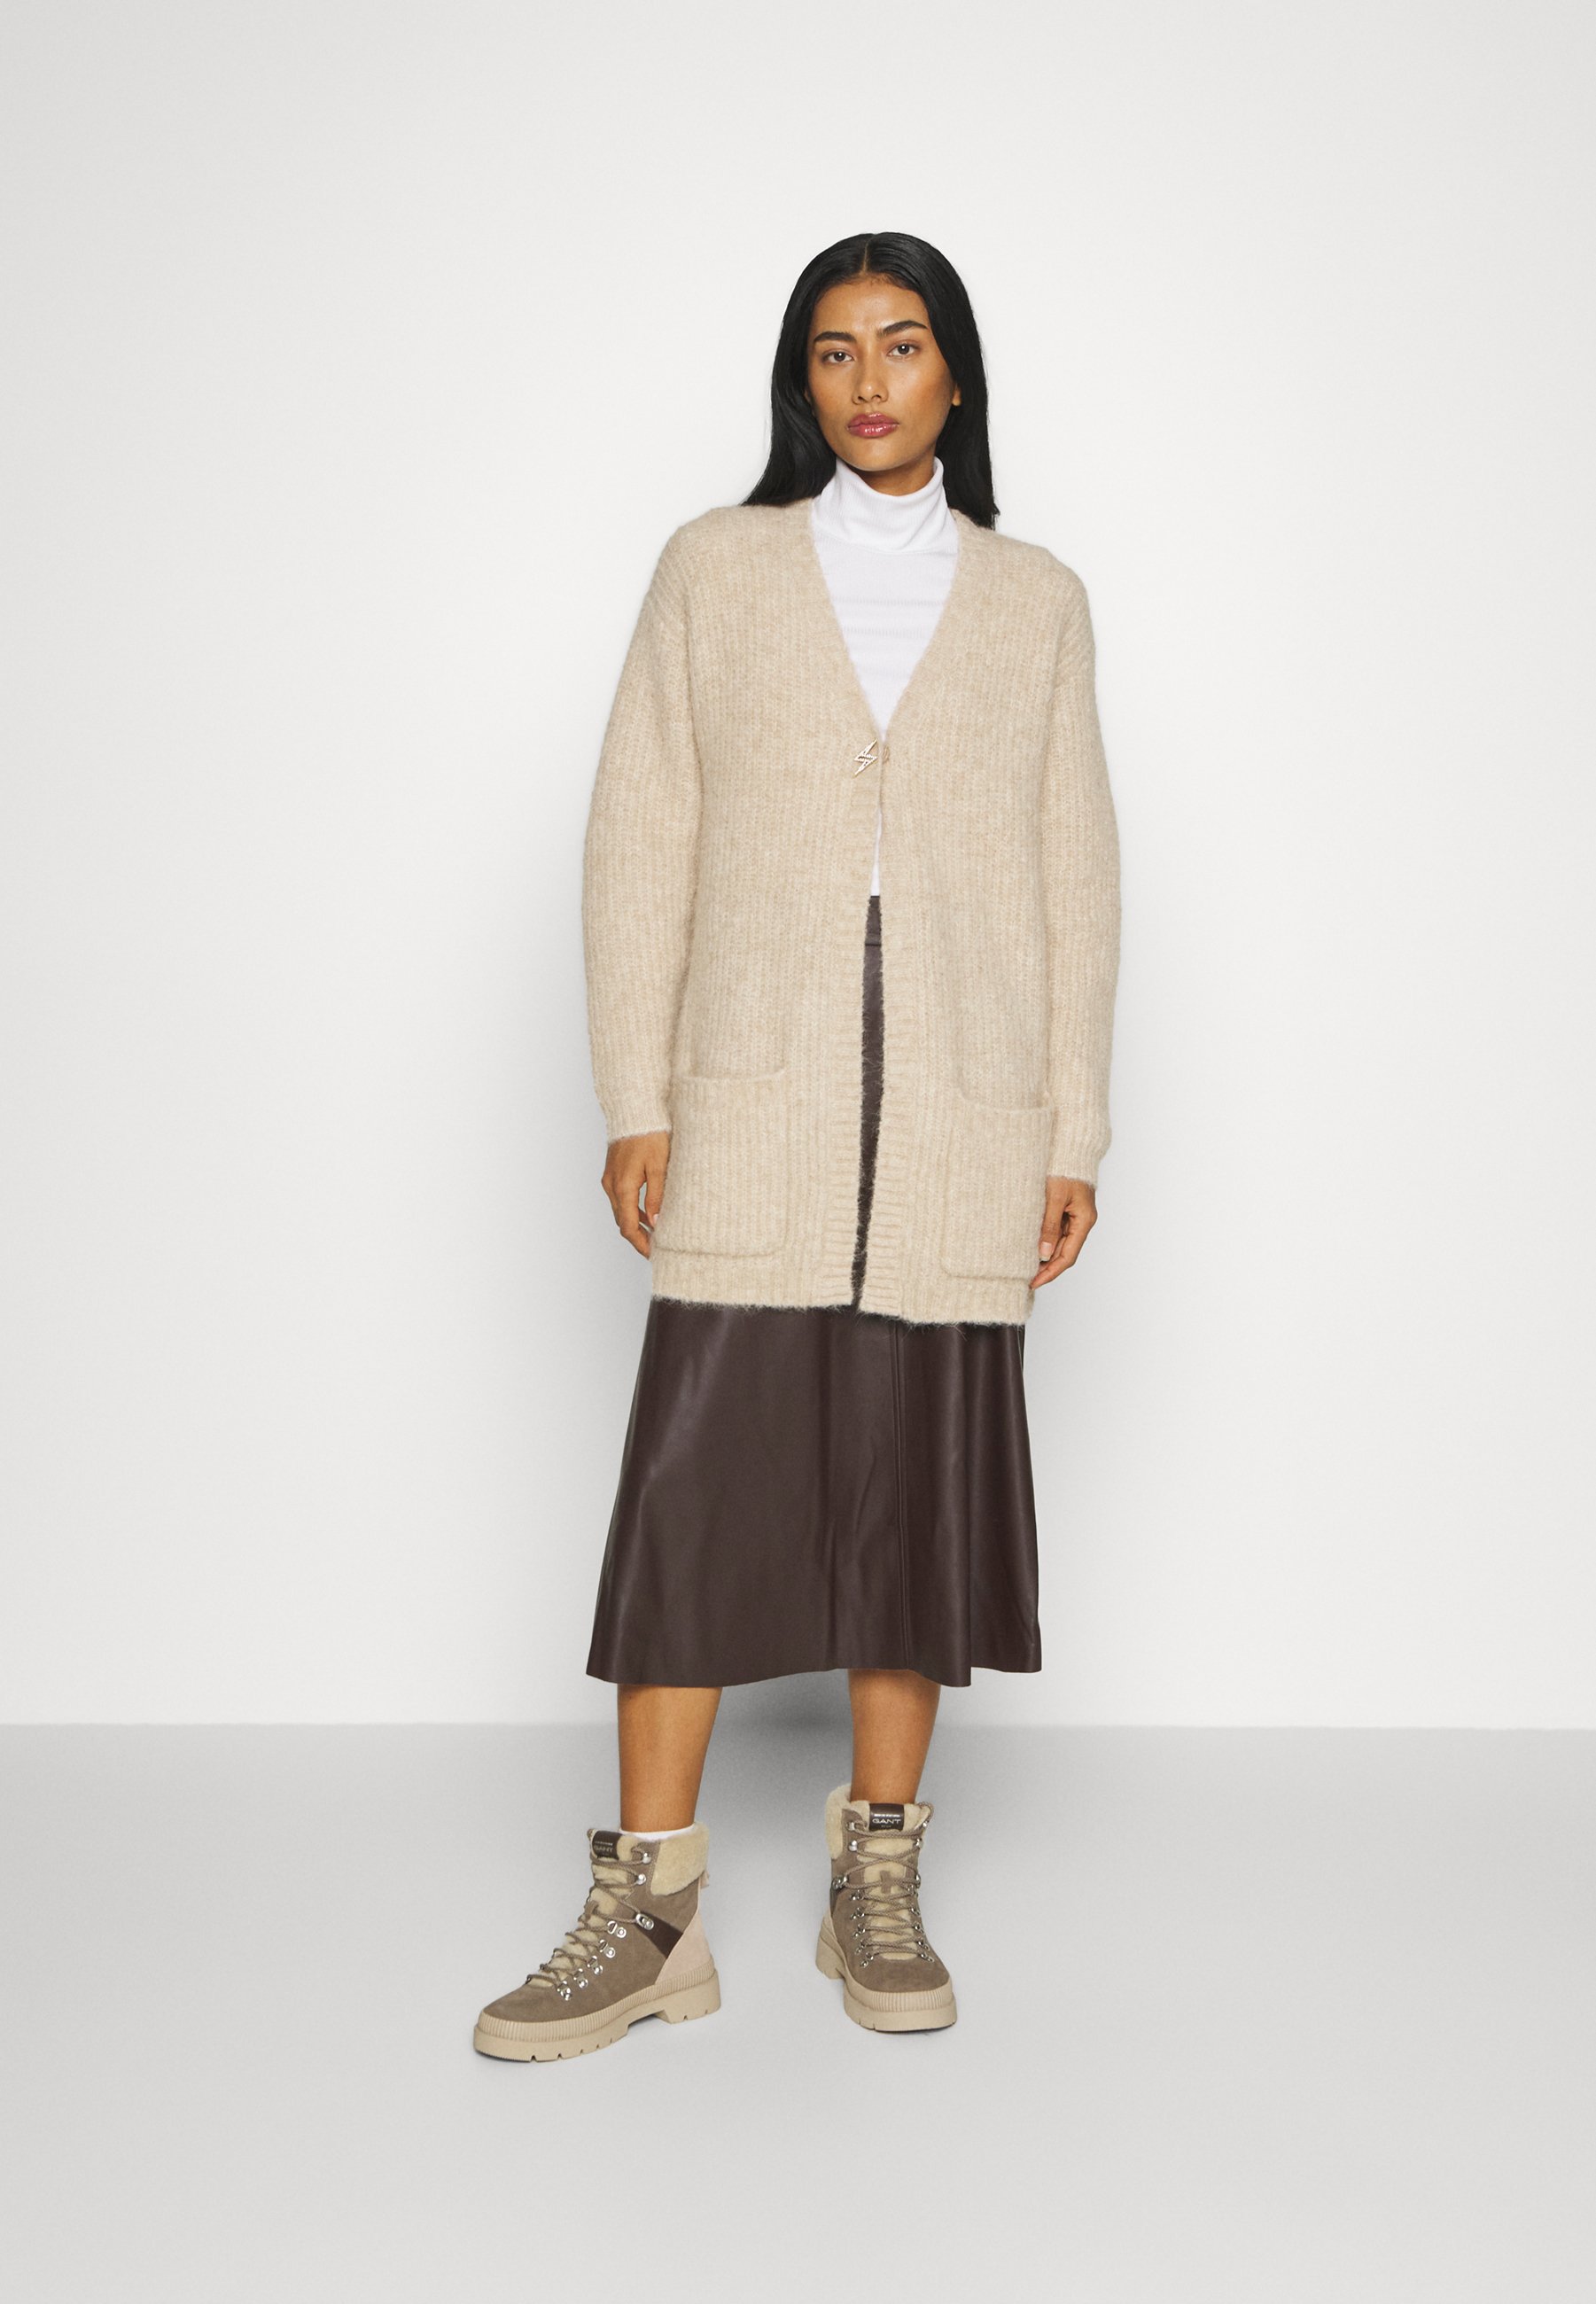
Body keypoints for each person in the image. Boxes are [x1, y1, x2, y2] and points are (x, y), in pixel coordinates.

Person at [472, 230, 1122, 2062]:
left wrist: (1069, 1123)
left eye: (900, 347)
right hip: (757, 1090)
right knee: (695, 1496)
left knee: (911, 1495)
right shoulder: (717, 567)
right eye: (834, 351)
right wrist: (638, 1093)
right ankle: (651, 1908)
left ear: (954, 375)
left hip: (957, 1099)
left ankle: (875, 1872)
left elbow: (1077, 868)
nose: (867, 382)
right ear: (801, 379)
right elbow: (638, 828)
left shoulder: (1035, 600)